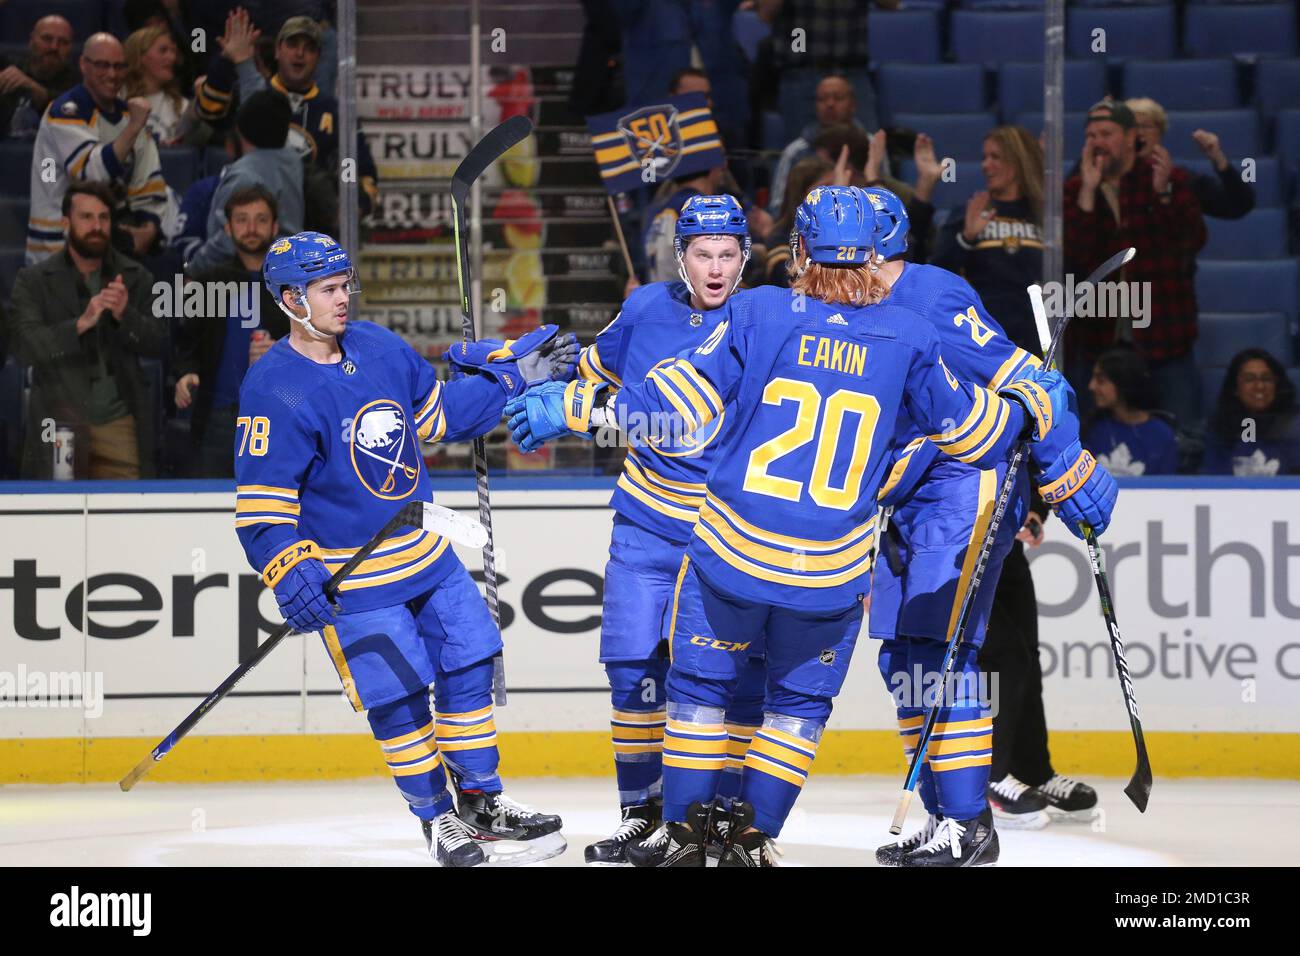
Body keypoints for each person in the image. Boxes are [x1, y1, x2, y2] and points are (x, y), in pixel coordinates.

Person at [505, 186, 1112, 867]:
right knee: (796, 707)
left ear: (797, 250)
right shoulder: (907, 336)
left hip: (734, 551)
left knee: (703, 690)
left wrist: (576, 403)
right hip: (831, 569)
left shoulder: (761, 310)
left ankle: (685, 836)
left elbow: (675, 410)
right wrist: (1033, 412)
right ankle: (751, 838)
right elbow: (975, 433)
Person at [235, 231, 578, 866]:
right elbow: (263, 506)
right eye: (328, 290)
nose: (344, 299)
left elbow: (439, 418)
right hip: (354, 576)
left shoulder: (379, 347)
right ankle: (438, 819)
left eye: (346, 286)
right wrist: (288, 569)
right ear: (290, 299)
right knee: (397, 697)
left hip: (425, 554)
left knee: (471, 660)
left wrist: (506, 379)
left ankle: (481, 800)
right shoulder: (272, 388)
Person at [858, 185, 1115, 860]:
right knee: (906, 661)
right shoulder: (843, 302)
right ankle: (949, 816)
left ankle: (970, 824)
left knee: (944, 657)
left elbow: (1033, 382)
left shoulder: (934, 297)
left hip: (963, 493)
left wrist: (1063, 466)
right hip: (907, 507)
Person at [570, 195, 768, 865]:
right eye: (701, 254)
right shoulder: (645, 309)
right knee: (632, 670)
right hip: (645, 526)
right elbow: (593, 381)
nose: (715, 268)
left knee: (723, 681)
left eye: (727, 254)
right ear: (679, 257)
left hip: (726, 535)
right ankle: (641, 813)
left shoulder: (765, 318)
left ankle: (714, 818)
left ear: (744, 257)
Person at [9, 181, 166, 479]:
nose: (96, 226)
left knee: (129, 517)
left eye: (104, 218)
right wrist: (81, 324)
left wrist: (124, 316)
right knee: (58, 519)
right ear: (66, 222)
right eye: (87, 217)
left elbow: (158, 342)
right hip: (57, 422)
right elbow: (24, 346)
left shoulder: (136, 277)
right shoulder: (33, 281)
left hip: (119, 423)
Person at [1064, 99, 1206, 428]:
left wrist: (1164, 195)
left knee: (1184, 434)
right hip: (1097, 337)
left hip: (1165, 334)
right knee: (1082, 435)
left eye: (1106, 133)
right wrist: (1087, 193)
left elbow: (1193, 240)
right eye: (1090, 135)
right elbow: (1074, 262)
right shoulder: (1074, 190)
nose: (1097, 142)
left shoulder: (1166, 178)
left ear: (1131, 137)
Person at [195, 10, 379, 225]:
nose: (299, 53)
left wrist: (355, 204)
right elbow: (208, 111)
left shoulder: (337, 112)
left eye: (309, 48)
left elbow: (358, 168)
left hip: (311, 227)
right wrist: (226, 60)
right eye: (292, 45)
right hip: (249, 223)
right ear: (277, 51)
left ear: (318, 58)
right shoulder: (253, 96)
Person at [174, 185, 289, 476]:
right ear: (227, 228)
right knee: (208, 509)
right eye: (242, 219)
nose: (251, 228)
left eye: (261, 219)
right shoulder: (208, 283)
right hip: (217, 417)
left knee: (273, 507)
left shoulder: (294, 287)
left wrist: (282, 351)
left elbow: (321, 345)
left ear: (275, 227)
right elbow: (185, 341)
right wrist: (185, 371)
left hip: (281, 417)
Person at [26, 33, 167, 264]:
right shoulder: (65, 111)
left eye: (119, 67)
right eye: (102, 65)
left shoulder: (130, 117)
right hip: (56, 246)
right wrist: (132, 128)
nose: (112, 74)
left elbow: (149, 182)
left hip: (109, 243)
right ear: (83, 65)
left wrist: (148, 229)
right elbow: (92, 174)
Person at [931, 125, 1046, 350]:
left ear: (1019, 161)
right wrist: (966, 237)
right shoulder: (970, 212)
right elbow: (936, 271)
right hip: (984, 336)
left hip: (1037, 333)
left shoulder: (1045, 215)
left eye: (996, 157)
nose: (985, 166)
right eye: (984, 158)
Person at [186, 89, 303, 274]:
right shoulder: (292, 159)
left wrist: (193, 268)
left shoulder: (243, 177)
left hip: (245, 278)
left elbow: (229, 239)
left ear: (241, 128)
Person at [1126, 97, 1254, 221]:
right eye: (1133, 127)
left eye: (1146, 126)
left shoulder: (1182, 181)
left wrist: (1219, 160)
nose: (1139, 133)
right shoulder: (1108, 177)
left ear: (1160, 133)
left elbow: (1239, 206)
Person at [768, 74, 865, 216]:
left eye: (838, 98)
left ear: (853, 105)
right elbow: (778, 208)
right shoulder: (795, 151)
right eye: (822, 99)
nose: (830, 104)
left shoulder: (871, 146)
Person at [1201, 348, 1300, 476]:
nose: (1259, 386)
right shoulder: (1219, 429)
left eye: (1266, 379)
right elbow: (1213, 484)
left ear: (1277, 385)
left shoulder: (1294, 426)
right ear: (1235, 388)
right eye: (1249, 379)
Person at [1084, 346, 1179, 476]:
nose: (1092, 386)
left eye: (1101, 381)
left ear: (1123, 384)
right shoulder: (1092, 429)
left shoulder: (1162, 435)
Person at [0, 14, 78, 139]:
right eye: (47, 39)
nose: (54, 47)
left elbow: (72, 111)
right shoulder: (9, 69)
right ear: (31, 41)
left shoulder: (78, 82)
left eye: (63, 42)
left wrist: (38, 92)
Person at [123, 24, 194, 146]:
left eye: (173, 52)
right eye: (163, 50)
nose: (172, 58)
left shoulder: (182, 106)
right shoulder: (117, 98)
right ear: (140, 56)